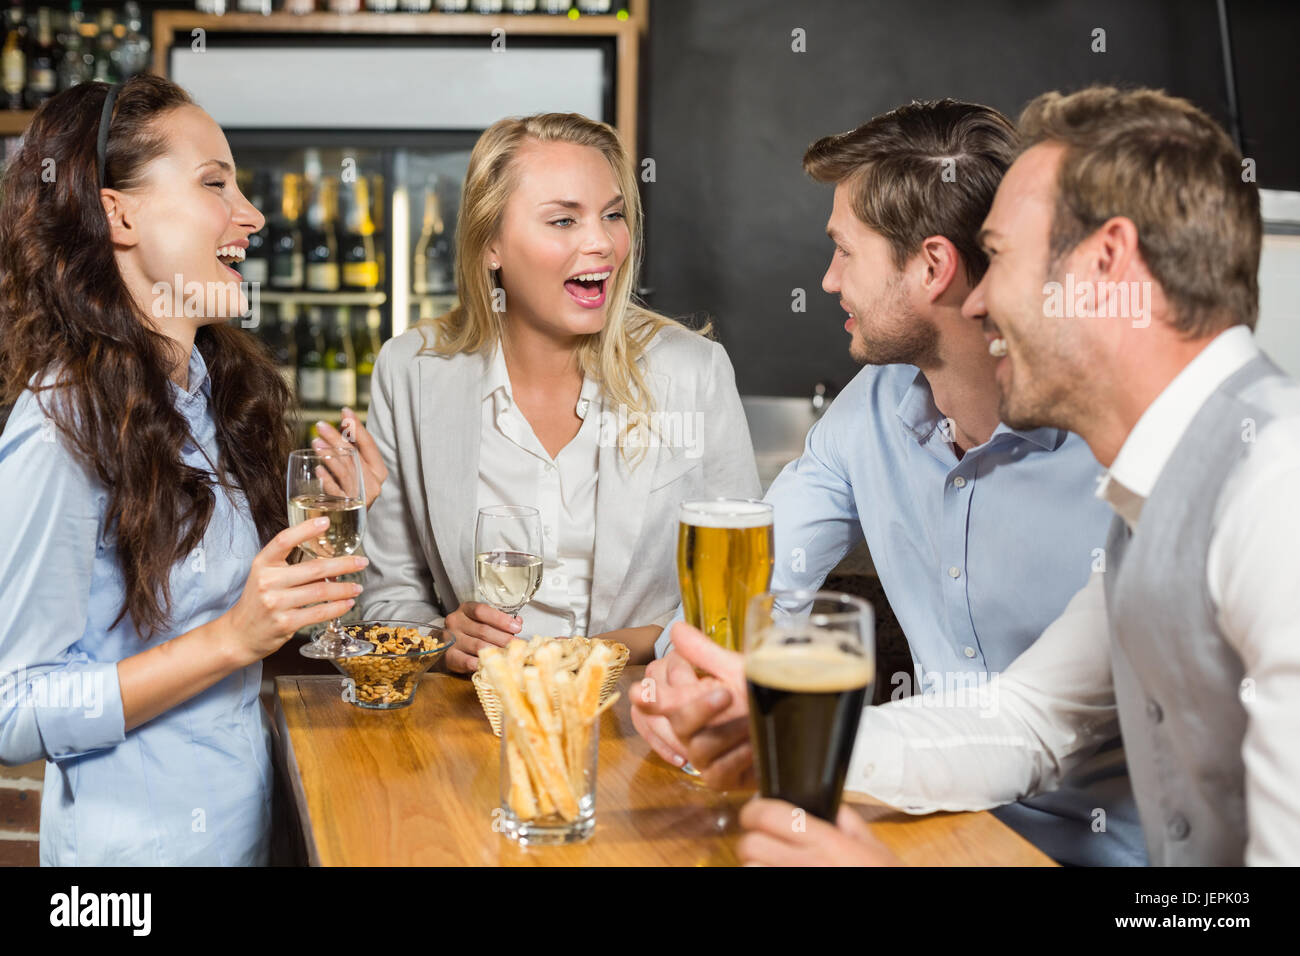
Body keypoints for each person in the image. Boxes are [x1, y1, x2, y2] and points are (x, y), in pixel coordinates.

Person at [674, 86, 1300, 866]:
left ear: (1104, 266)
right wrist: (776, 733)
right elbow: (1027, 720)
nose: (978, 300)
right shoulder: (1165, 485)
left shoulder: (1276, 489)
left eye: (999, 256)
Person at [634, 100, 1146, 866]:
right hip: (920, 824)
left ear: (932, 267)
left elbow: (1026, 727)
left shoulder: (1122, 452)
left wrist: (776, 726)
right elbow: (767, 574)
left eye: (844, 251)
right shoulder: (870, 407)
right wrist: (698, 684)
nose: (827, 278)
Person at [0, 76, 386, 865]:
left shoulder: (204, 395)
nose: (252, 215)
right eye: (216, 184)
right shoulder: (60, 425)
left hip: (249, 838)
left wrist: (327, 532)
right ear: (120, 213)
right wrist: (231, 638)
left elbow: (234, 616)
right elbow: (11, 713)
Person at [360, 113, 759, 671]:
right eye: (564, 220)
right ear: (491, 242)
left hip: (645, 718)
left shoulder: (692, 371)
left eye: (613, 215)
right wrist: (442, 638)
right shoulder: (412, 371)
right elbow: (386, 598)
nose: (602, 243)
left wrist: (604, 653)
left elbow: (742, 594)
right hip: (475, 724)